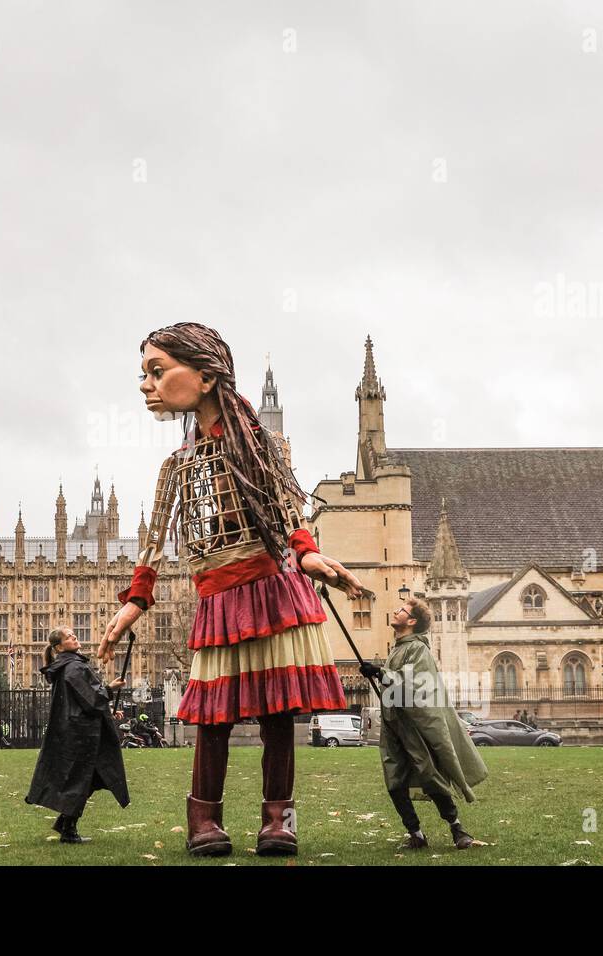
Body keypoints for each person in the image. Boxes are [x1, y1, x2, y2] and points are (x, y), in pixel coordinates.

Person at [98, 323, 363, 858]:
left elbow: (288, 508)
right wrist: (134, 601)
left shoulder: (260, 444)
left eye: (156, 371)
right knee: (214, 717)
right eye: (144, 374)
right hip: (218, 598)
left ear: (203, 376)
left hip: (272, 589)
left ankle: (277, 820)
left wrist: (306, 552)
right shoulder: (177, 465)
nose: (145, 385)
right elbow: (152, 545)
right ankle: (205, 822)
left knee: (277, 715)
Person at [362, 597, 488, 851]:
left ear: (411, 621)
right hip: (393, 724)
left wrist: (380, 673)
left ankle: (457, 828)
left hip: (413, 725)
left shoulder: (418, 649)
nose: (395, 611)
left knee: (430, 775)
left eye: (402, 610)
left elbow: (414, 681)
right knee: (394, 780)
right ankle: (416, 834)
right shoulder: (397, 648)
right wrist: (378, 675)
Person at [27, 626, 129, 843]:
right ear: (59, 646)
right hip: (82, 735)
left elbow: (81, 700)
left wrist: (107, 708)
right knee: (83, 779)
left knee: (88, 778)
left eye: (73, 634)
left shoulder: (68, 665)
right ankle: (68, 828)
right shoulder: (72, 667)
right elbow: (90, 697)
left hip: (78, 731)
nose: (74, 636)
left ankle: (66, 823)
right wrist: (110, 689)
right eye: (68, 636)